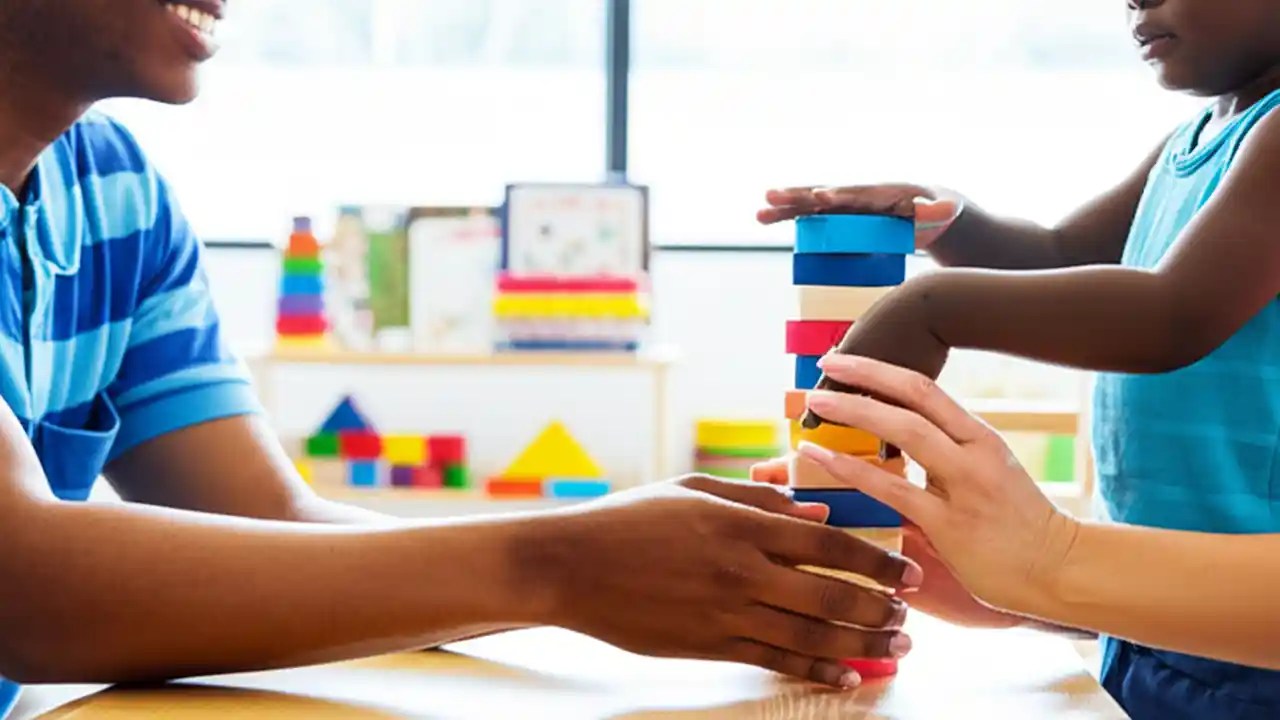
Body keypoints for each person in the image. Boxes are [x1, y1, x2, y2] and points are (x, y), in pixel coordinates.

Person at [0, 2, 921, 716]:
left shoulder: (114, 190)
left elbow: (270, 516)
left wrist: (651, 572)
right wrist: (558, 566)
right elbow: (24, 587)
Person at [757, 1, 1280, 717]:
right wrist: (954, 221)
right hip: (1149, 625)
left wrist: (931, 310)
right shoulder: (1193, 143)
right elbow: (1059, 254)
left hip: (1255, 661)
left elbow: (1173, 318)